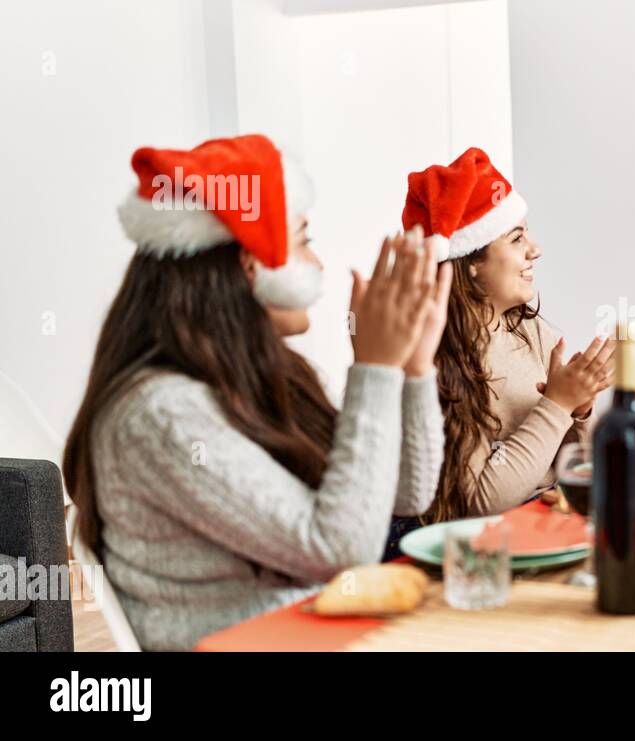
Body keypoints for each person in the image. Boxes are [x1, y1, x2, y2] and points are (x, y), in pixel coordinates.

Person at [62, 134, 451, 650]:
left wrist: (414, 368)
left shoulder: (262, 375)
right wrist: (375, 371)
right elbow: (341, 548)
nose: (318, 263)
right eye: (303, 239)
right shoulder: (160, 414)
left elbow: (403, 493)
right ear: (252, 264)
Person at [394, 147, 612, 527]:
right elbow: (481, 502)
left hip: (540, 531)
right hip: (473, 551)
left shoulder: (531, 332)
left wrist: (580, 410)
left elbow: (579, 472)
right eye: (516, 239)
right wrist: (557, 406)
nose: (536, 250)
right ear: (472, 262)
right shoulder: (432, 357)